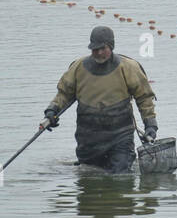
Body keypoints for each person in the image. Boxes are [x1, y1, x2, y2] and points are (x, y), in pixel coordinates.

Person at [42, 25, 157, 173]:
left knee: (121, 176)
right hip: (88, 137)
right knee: (89, 175)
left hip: (120, 135)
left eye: (103, 48)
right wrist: (51, 111)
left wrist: (151, 125)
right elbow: (64, 94)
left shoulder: (129, 68)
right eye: (95, 49)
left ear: (111, 46)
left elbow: (144, 98)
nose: (99, 53)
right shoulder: (78, 68)